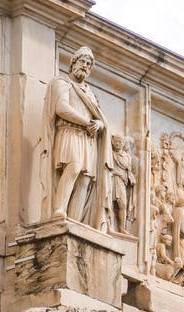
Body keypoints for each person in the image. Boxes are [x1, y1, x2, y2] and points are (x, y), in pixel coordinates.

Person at [40, 46, 112, 229]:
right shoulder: (62, 83)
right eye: (83, 61)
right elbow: (61, 108)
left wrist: (100, 124)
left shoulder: (90, 94)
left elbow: (101, 118)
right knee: (73, 167)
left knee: (85, 179)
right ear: (73, 62)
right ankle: (59, 209)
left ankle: (74, 221)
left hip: (88, 140)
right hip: (69, 132)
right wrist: (86, 122)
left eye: (89, 64)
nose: (86, 66)